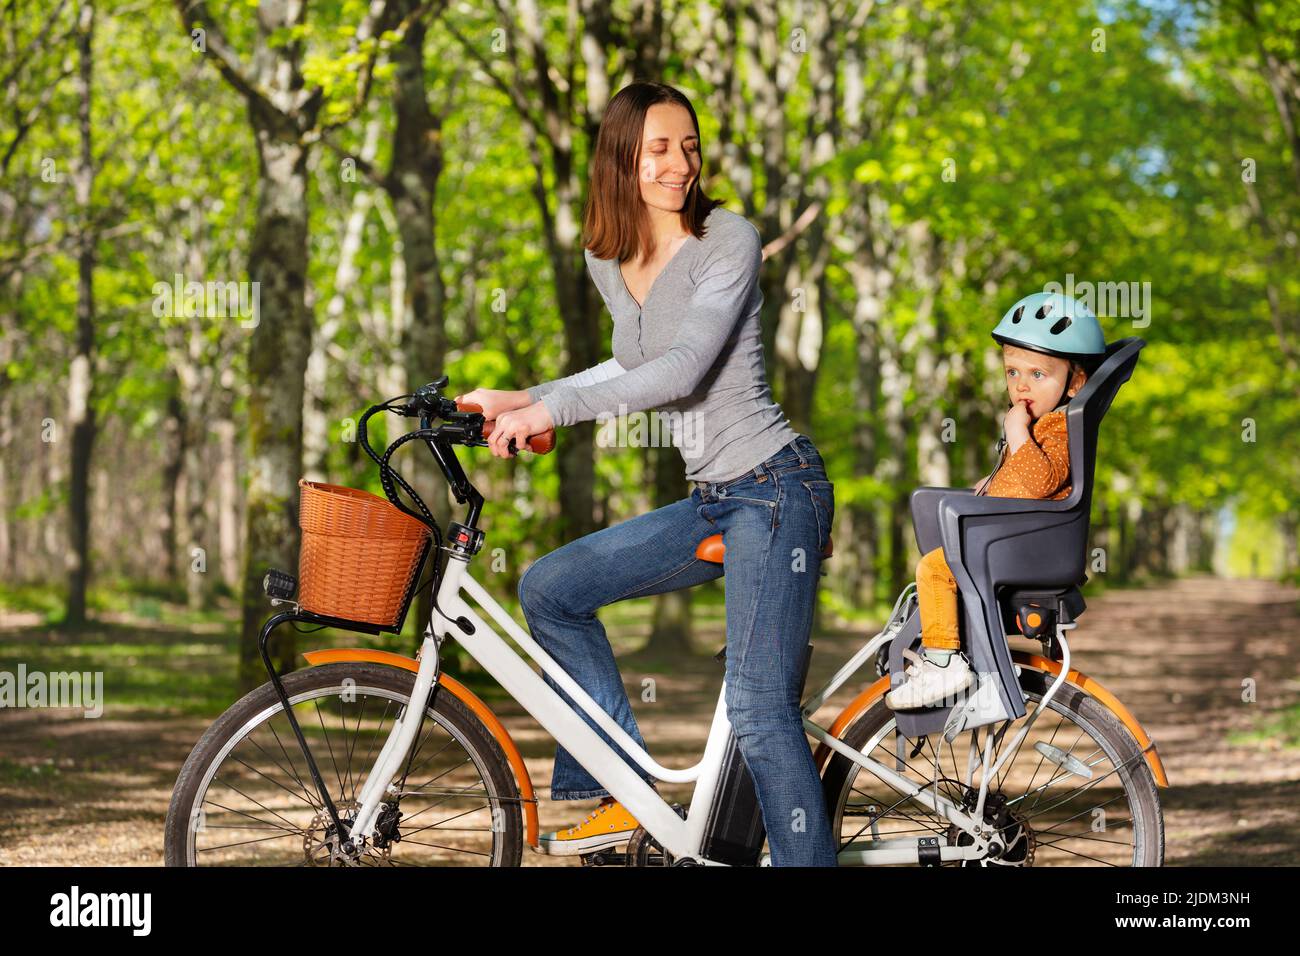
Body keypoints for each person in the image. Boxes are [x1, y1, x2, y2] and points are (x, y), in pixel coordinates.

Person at [454, 81, 838, 866]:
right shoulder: (608, 258)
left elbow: (683, 368)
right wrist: (525, 397)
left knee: (761, 712)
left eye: (688, 146)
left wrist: (552, 415)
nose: (679, 164)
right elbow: (627, 362)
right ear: (623, 159)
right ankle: (617, 792)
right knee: (551, 589)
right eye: (659, 148)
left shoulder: (726, 237)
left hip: (775, 488)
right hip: (712, 501)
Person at [885, 291, 1107, 711]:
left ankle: (944, 661)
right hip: (1015, 538)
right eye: (1012, 372)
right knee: (935, 565)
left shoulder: (1059, 428)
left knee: (934, 568)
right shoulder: (1046, 424)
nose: (1021, 385)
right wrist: (985, 485)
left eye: (1038, 374)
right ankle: (936, 645)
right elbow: (1016, 480)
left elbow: (1037, 482)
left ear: (1075, 382)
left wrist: (1015, 430)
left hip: (1025, 546)